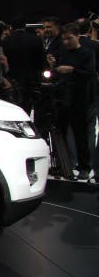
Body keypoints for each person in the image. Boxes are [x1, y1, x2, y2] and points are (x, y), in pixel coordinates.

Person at [47, 23, 95, 180]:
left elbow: (90, 74)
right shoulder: (62, 53)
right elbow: (55, 74)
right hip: (62, 98)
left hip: (79, 99)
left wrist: (73, 70)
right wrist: (53, 66)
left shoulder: (86, 53)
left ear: (77, 36)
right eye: (64, 39)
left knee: (80, 135)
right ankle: (64, 165)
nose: (66, 42)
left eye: (69, 38)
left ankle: (84, 167)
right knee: (60, 134)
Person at [2, 15, 44, 113]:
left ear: (12, 27)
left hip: (11, 78)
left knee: (12, 106)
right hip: (30, 79)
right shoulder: (35, 39)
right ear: (25, 26)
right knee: (27, 105)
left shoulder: (6, 40)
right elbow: (41, 62)